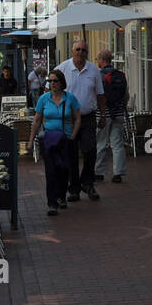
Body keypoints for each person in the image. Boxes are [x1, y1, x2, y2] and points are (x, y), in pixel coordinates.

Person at [54, 39, 105, 202]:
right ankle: (74, 188)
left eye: (83, 50)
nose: (80, 52)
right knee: (71, 154)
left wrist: (103, 115)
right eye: (78, 49)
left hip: (88, 117)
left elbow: (100, 95)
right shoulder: (62, 69)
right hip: (68, 118)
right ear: (72, 51)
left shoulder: (94, 70)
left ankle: (87, 182)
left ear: (87, 53)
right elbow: (51, 91)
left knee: (90, 151)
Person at [29, 69, 81, 216]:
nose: (52, 84)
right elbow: (37, 120)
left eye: (55, 81)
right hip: (49, 140)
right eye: (50, 81)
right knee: (51, 172)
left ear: (61, 82)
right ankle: (52, 203)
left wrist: (73, 135)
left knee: (64, 170)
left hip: (66, 140)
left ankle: (61, 196)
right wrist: (30, 140)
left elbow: (77, 118)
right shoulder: (44, 99)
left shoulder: (70, 98)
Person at [94, 49, 128, 183]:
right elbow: (126, 95)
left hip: (103, 113)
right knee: (117, 144)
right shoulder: (121, 75)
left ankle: (99, 172)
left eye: (97, 59)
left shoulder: (99, 75)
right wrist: (121, 107)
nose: (97, 61)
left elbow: (98, 96)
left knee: (101, 143)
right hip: (118, 113)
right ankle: (118, 173)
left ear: (102, 60)